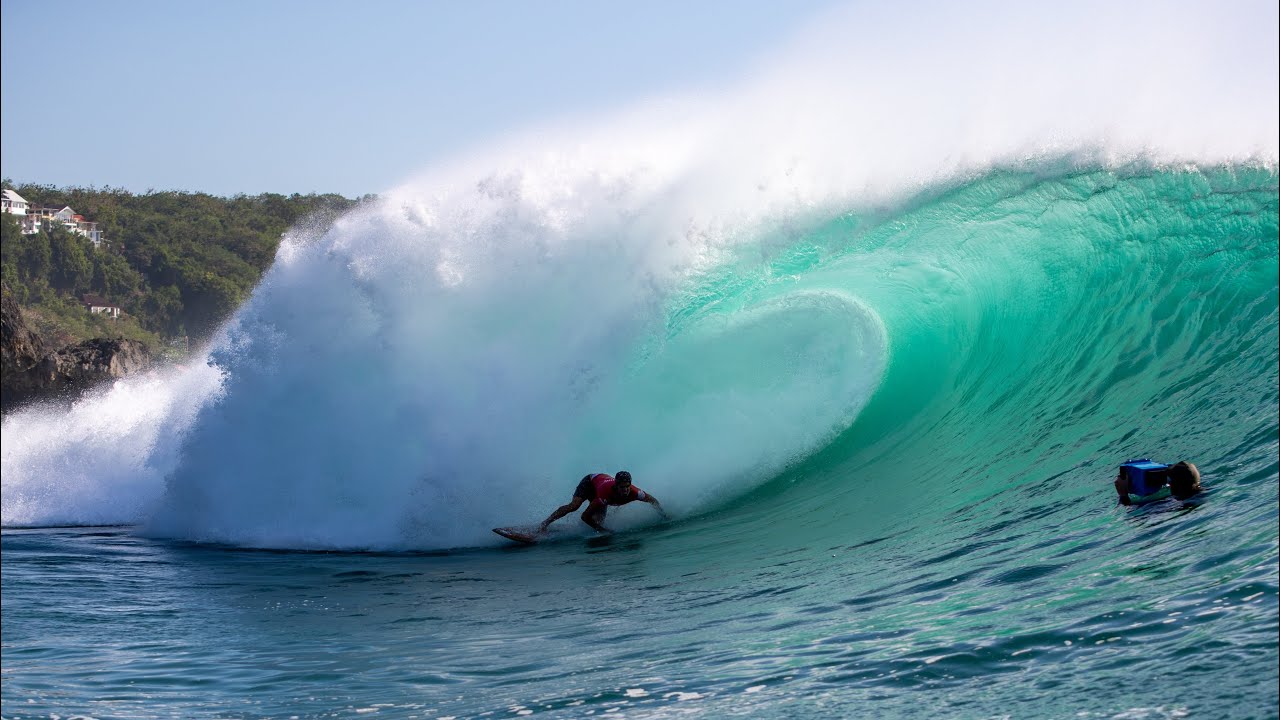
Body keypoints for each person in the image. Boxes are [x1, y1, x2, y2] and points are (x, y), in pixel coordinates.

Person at [538, 471, 667, 534]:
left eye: (627, 486)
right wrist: (603, 530)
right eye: (622, 487)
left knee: (598, 521)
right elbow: (584, 517)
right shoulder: (604, 496)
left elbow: (653, 501)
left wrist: (663, 515)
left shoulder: (636, 493)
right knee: (575, 506)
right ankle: (543, 525)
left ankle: (568, 530)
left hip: (600, 485)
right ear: (617, 486)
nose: (626, 490)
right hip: (590, 482)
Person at [1114, 459, 1201, 506]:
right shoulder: (1199, 492)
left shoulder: (1171, 503)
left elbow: (1133, 514)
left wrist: (1123, 494)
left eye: (1169, 480)